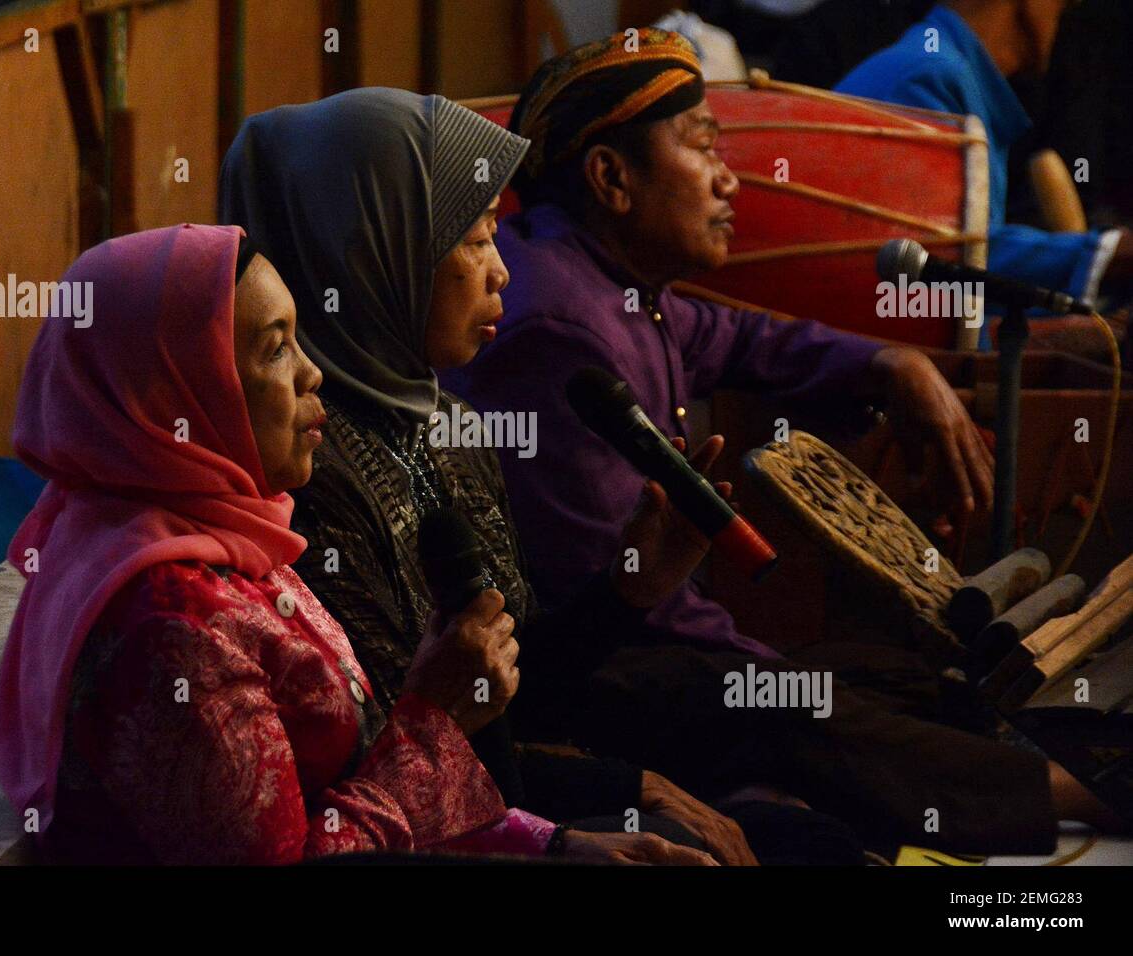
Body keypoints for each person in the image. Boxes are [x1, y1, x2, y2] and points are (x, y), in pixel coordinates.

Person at [441, 29, 1124, 852]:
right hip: (586, 676)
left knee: (871, 670)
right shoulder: (559, 321)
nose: (731, 177)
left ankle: (1021, 769)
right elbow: (616, 611)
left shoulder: (610, 284)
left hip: (652, 650)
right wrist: (766, 670)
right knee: (778, 694)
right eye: (702, 147)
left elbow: (741, 341)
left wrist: (892, 360)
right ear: (611, 178)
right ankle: (1074, 797)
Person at [220, 87, 865, 865]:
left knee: (812, 826)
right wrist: (603, 810)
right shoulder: (305, 472)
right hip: (436, 830)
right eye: (473, 239)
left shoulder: (447, 426)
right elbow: (396, 760)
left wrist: (633, 584)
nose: (501, 273)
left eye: (498, 235)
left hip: (512, 792)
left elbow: (515, 695)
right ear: (374, 247)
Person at [0, 222, 720, 865]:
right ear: (172, 394)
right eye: (274, 349)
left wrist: (551, 844)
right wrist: (438, 716)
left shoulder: (236, 538)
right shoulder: (169, 620)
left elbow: (366, 773)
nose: (312, 372)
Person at [835, 0, 1132, 347]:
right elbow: (925, 269)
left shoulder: (941, 72)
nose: (1064, 13)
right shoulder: (927, 75)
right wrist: (1108, 253)